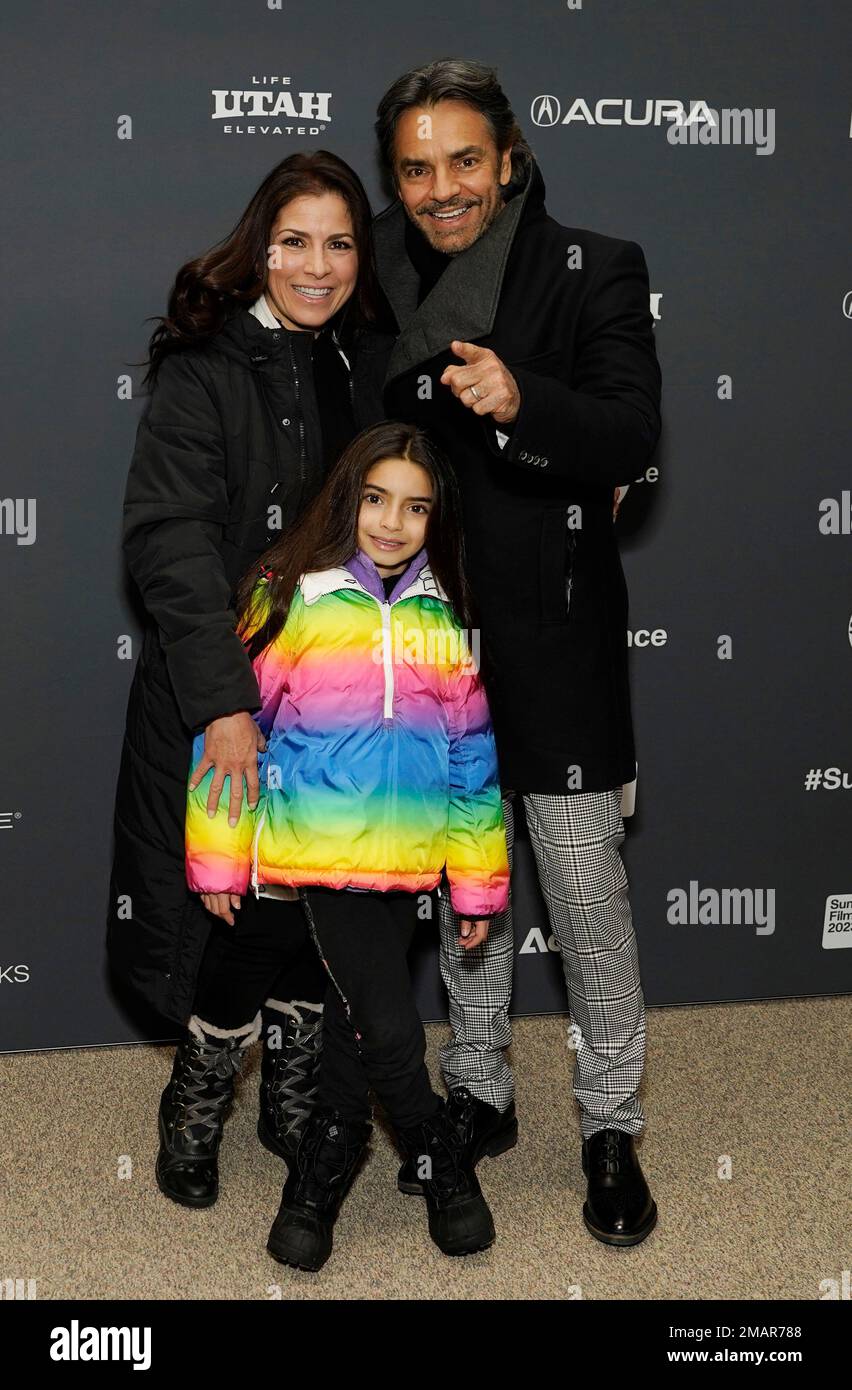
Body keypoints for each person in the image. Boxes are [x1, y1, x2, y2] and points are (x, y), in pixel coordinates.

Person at [370, 58, 663, 1246]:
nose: (442, 189)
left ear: (510, 157)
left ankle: (610, 1125)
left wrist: (519, 399)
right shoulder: (385, 280)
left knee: (587, 901)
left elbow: (633, 433)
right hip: (434, 649)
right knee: (462, 891)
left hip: (557, 636)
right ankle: (479, 1089)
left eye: (463, 161)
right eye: (416, 167)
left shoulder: (596, 264)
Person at [106, 151, 395, 1208]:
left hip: (344, 699)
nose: (316, 266)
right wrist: (224, 703)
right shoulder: (204, 367)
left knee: (322, 900)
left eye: (339, 243)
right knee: (234, 915)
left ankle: (295, 1094)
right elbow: (169, 542)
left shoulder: (367, 362)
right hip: (230, 692)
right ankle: (199, 1093)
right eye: (294, 241)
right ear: (258, 245)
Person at [185, 420, 510, 1269]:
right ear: (347, 499)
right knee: (393, 1026)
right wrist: (220, 855)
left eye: (415, 507)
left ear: (436, 519)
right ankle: (439, 1159)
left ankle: (325, 1159)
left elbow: (473, 759)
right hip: (320, 849)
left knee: (355, 1018)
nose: (392, 522)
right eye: (376, 499)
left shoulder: (448, 615)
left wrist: (476, 882)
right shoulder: (288, 594)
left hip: (408, 865)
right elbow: (230, 738)